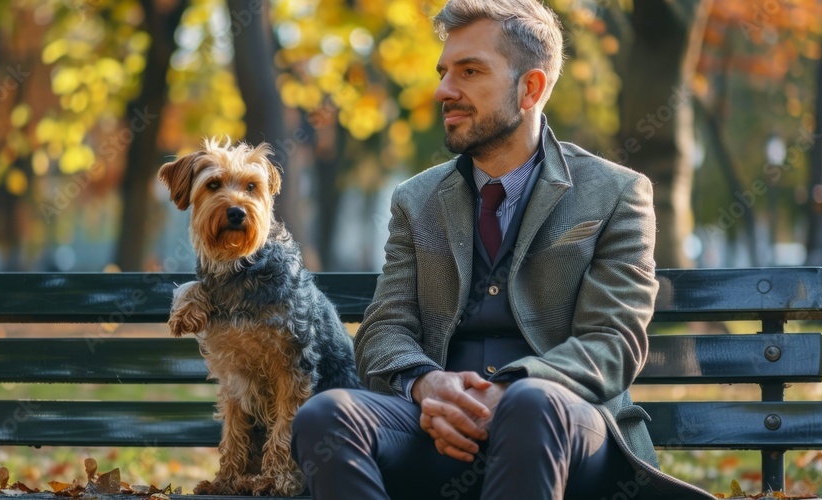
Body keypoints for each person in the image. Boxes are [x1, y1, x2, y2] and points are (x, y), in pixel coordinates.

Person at [291, 0, 714, 498]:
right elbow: (385, 329)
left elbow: (612, 342)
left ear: (530, 88)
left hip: (565, 430)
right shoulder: (415, 200)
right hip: (440, 433)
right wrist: (426, 385)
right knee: (326, 415)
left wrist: (508, 389)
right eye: (444, 72)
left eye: (470, 71)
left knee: (530, 404)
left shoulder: (616, 193)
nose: (444, 90)